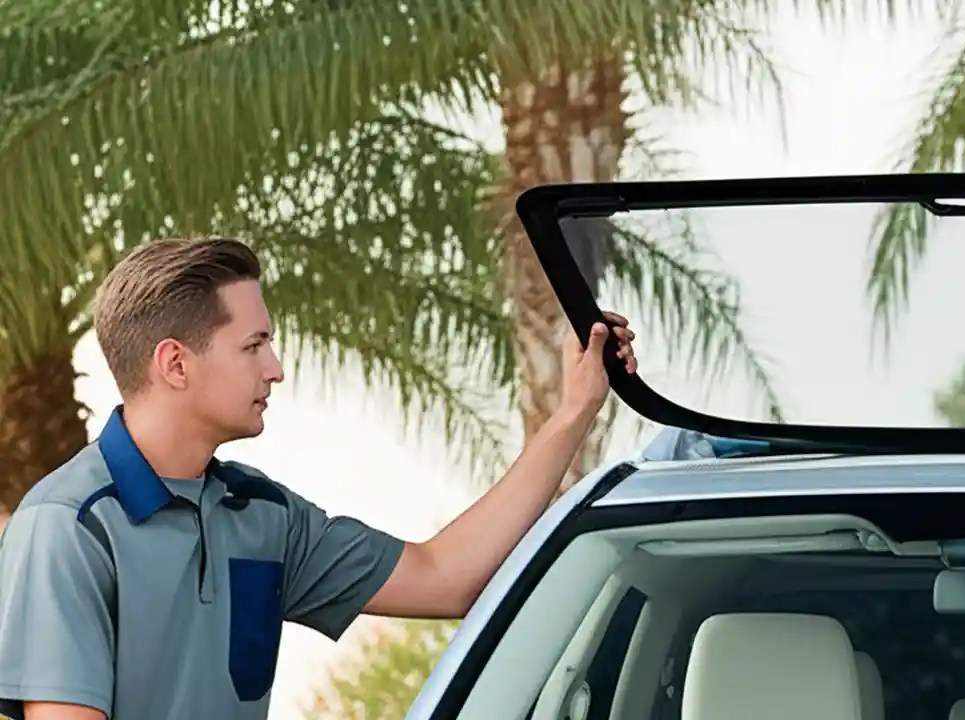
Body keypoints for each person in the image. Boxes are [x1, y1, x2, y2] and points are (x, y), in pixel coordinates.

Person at [0, 237, 638, 720]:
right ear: (175, 363)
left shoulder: (263, 515)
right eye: (253, 346)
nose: (275, 369)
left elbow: (448, 579)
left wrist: (575, 410)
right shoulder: (67, 527)